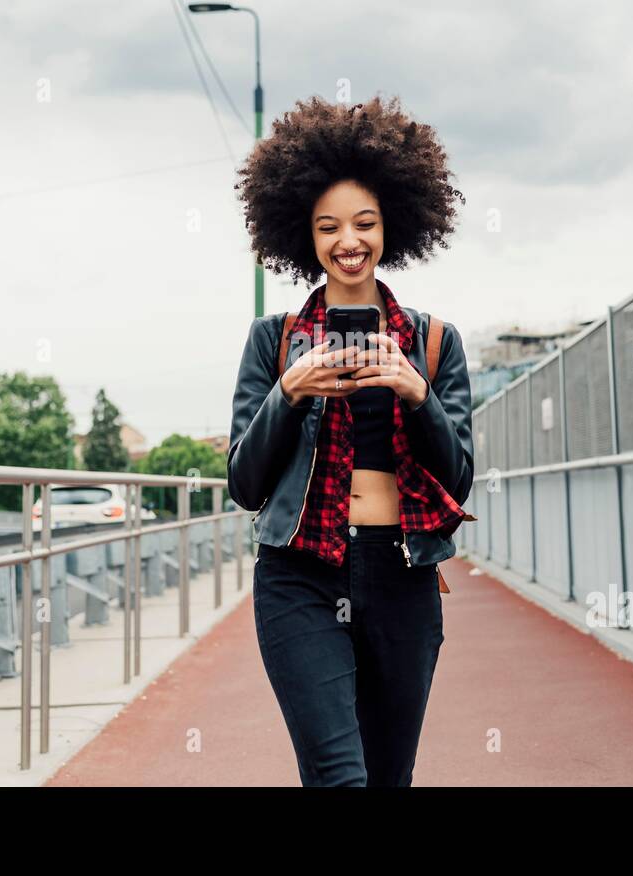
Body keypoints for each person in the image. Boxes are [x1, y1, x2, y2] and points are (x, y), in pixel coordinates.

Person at [227, 94, 475, 786]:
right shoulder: (273, 341)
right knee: (341, 777)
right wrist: (291, 391)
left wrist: (416, 392)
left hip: (402, 577)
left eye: (364, 223)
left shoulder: (432, 343)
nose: (349, 241)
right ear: (304, 235)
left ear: (390, 226)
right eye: (328, 226)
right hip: (299, 575)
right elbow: (244, 484)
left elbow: (458, 478)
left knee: (387, 779)